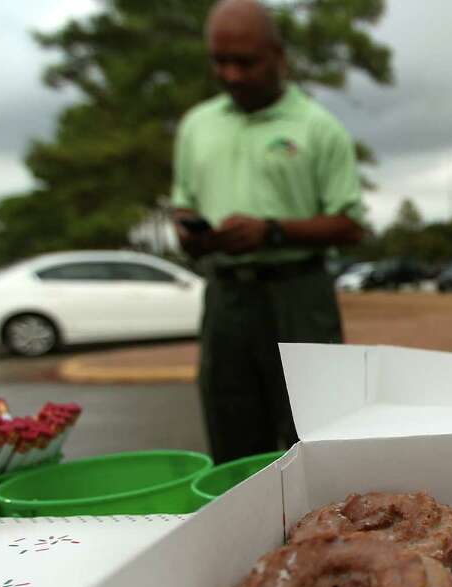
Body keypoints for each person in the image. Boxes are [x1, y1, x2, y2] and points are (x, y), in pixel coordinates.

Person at [171, 0, 363, 463]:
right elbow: (184, 203)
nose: (232, 74)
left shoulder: (318, 127)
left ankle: (325, 533)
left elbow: (350, 225)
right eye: (220, 61)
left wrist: (272, 231)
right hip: (226, 299)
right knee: (231, 434)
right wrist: (191, 233)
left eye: (245, 61)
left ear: (279, 56)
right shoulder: (197, 126)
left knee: (315, 434)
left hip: (299, 296)